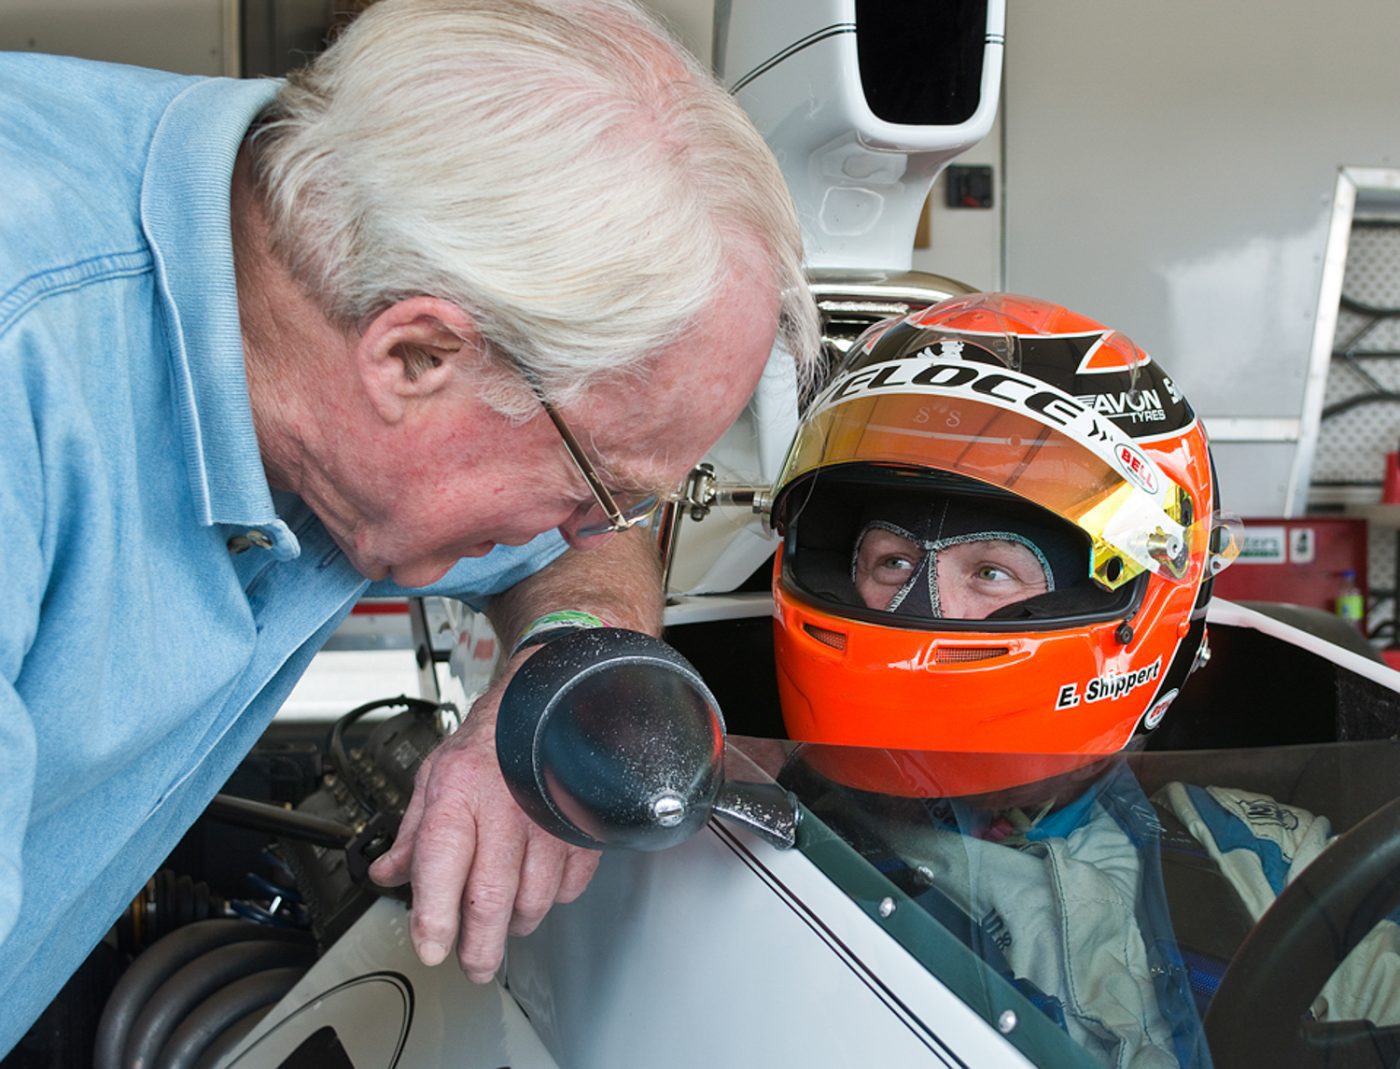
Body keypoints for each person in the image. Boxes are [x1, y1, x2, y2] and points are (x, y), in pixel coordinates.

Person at [0, 0, 819, 1052]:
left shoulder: (312, 265)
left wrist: (554, 680)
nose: (592, 526)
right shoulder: (29, 355)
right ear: (414, 358)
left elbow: (594, 544)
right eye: (596, 482)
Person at [761, 294, 1400, 1066]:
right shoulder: (763, 859)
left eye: (990, 570)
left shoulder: (1252, 852)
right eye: (890, 561)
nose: (920, 609)